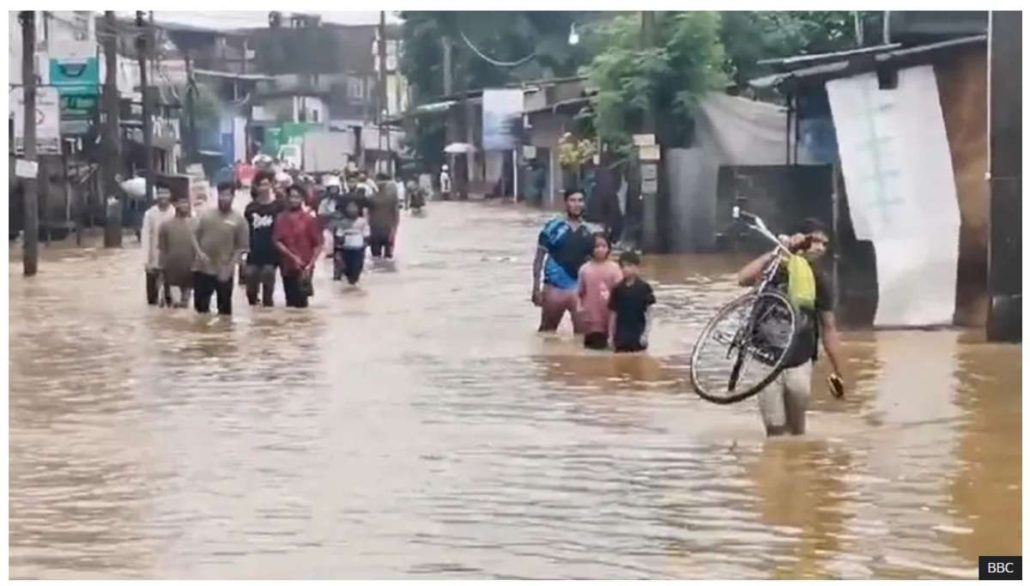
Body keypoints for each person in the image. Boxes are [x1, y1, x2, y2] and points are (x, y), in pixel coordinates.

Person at [736, 218, 846, 437]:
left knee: (797, 430)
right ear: (802, 240)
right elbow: (743, 278)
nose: (820, 248)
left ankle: (797, 465)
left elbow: (829, 328)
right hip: (764, 356)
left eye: (825, 244)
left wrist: (838, 369)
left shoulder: (820, 279)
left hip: (799, 358)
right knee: (775, 430)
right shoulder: (776, 265)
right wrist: (780, 250)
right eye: (816, 241)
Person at [531, 189, 599, 333]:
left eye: (580, 200)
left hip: (579, 289)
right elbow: (539, 259)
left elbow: (598, 264)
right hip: (554, 287)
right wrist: (536, 288)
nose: (576, 204)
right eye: (572, 200)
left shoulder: (591, 232)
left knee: (582, 336)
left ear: (584, 204)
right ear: (566, 203)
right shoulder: (552, 228)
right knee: (547, 333)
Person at [193, 182, 249, 316]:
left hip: (224, 269)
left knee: (224, 311)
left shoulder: (239, 220)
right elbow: (194, 235)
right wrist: (199, 253)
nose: (224, 198)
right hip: (203, 268)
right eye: (221, 195)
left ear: (233, 197)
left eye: (227, 195)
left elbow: (241, 248)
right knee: (200, 309)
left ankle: (224, 336)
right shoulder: (206, 215)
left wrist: (230, 268)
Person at [274, 184, 324, 308]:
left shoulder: (309, 219)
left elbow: (318, 244)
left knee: (302, 303)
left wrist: (311, 264)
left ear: (303, 199)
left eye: (297, 197)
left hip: (305, 267)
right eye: (291, 197)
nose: (293, 200)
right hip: (287, 266)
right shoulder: (281, 218)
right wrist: (292, 257)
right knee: (290, 302)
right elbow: (277, 241)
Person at [242, 170, 283, 307]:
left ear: (271, 185)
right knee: (251, 288)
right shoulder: (250, 208)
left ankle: (267, 309)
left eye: (266, 184)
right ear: (256, 187)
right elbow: (245, 231)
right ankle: (254, 309)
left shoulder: (278, 206)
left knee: (268, 277)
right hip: (253, 251)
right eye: (261, 185)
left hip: (271, 252)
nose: (264, 188)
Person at [577, 234, 624, 350]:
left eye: (603, 246)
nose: (600, 249)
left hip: (611, 316)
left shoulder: (615, 268)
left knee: (611, 349)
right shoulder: (584, 269)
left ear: (608, 248)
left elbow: (621, 292)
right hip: (591, 318)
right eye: (596, 246)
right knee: (592, 350)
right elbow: (580, 293)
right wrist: (580, 310)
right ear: (590, 249)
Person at [607, 251, 656, 353]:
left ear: (637, 267)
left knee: (638, 363)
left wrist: (645, 334)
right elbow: (613, 313)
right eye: (623, 266)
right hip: (620, 337)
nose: (625, 269)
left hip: (638, 335)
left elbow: (650, 313)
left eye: (629, 266)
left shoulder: (644, 288)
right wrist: (610, 336)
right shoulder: (617, 289)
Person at [157, 194, 198, 308]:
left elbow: (200, 248)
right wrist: (161, 270)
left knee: (185, 305)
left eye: (186, 203)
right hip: (171, 272)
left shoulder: (196, 224)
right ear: (175, 205)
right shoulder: (165, 225)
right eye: (181, 203)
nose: (184, 206)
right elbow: (162, 249)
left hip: (189, 272)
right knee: (175, 306)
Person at [141, 188, 175, 306]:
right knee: (152, 299)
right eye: (160, 193)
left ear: (170, 195)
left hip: (171, 263)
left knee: (170, 298)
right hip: (153, 261)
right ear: (156, 195)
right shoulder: (150, 214)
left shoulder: (175, 213)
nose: (163, 196)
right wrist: (146, 261)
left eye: (166, 193)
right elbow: (145, 237)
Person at [330, 199, 370, 285]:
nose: (352, 210)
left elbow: (366, 233)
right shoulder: (343, 222)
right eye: (350, 208)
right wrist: (339, 243)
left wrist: (365, 242)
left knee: (358, 265)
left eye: (354, 208)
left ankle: (354, 280)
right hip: (346, 247)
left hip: (359, 247)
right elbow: (339, 234)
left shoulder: (362, 221)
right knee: (347, 266)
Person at [368, 173, 401, 259]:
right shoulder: (373, 198)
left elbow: (367, 214)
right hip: (383, 229)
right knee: (386, 256)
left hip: (379, 229)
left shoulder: (372, 197)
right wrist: (394, 228)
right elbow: (396, 214)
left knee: (377, 257)